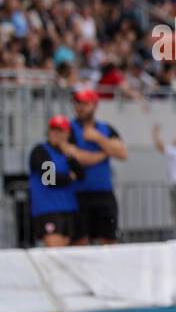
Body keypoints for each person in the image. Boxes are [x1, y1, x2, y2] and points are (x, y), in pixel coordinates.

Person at [69, 87, 128, 245]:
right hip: (79, 195)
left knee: (109, 240)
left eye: (84, 103)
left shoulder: (105, 129)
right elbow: (79, 157)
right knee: (79, 242)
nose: (80, 107)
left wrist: (98, 139)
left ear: (94, 105)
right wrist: (106, 152)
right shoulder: (69, 129)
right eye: (77, 103)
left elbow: (122, 153)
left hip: (104, 194)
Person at [28, 116, 88, 247]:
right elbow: (50, 179)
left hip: (70, 209)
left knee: (79, 250)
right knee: (55, 252)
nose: (57, 134)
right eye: (53, 130)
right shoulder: (41, 151)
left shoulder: (68, 154)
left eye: (61, 131)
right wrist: (70, 177)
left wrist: (70, 157)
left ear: (67, 134)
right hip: (49, 210)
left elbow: (82, 174)